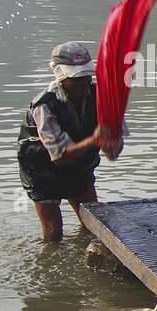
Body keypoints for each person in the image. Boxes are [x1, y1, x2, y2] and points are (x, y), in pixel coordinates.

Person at [16, 42, 126, 242]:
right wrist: (95, 139)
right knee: (53, 233)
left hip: (79, 166)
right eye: (75, 79)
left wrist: (112, 144)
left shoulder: (103, 97)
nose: (83, 82)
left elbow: (113, 152)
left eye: (86, 76)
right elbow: (59, 158)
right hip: (41, 169)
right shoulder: (45, 105)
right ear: (60, 77)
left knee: (93, 226)